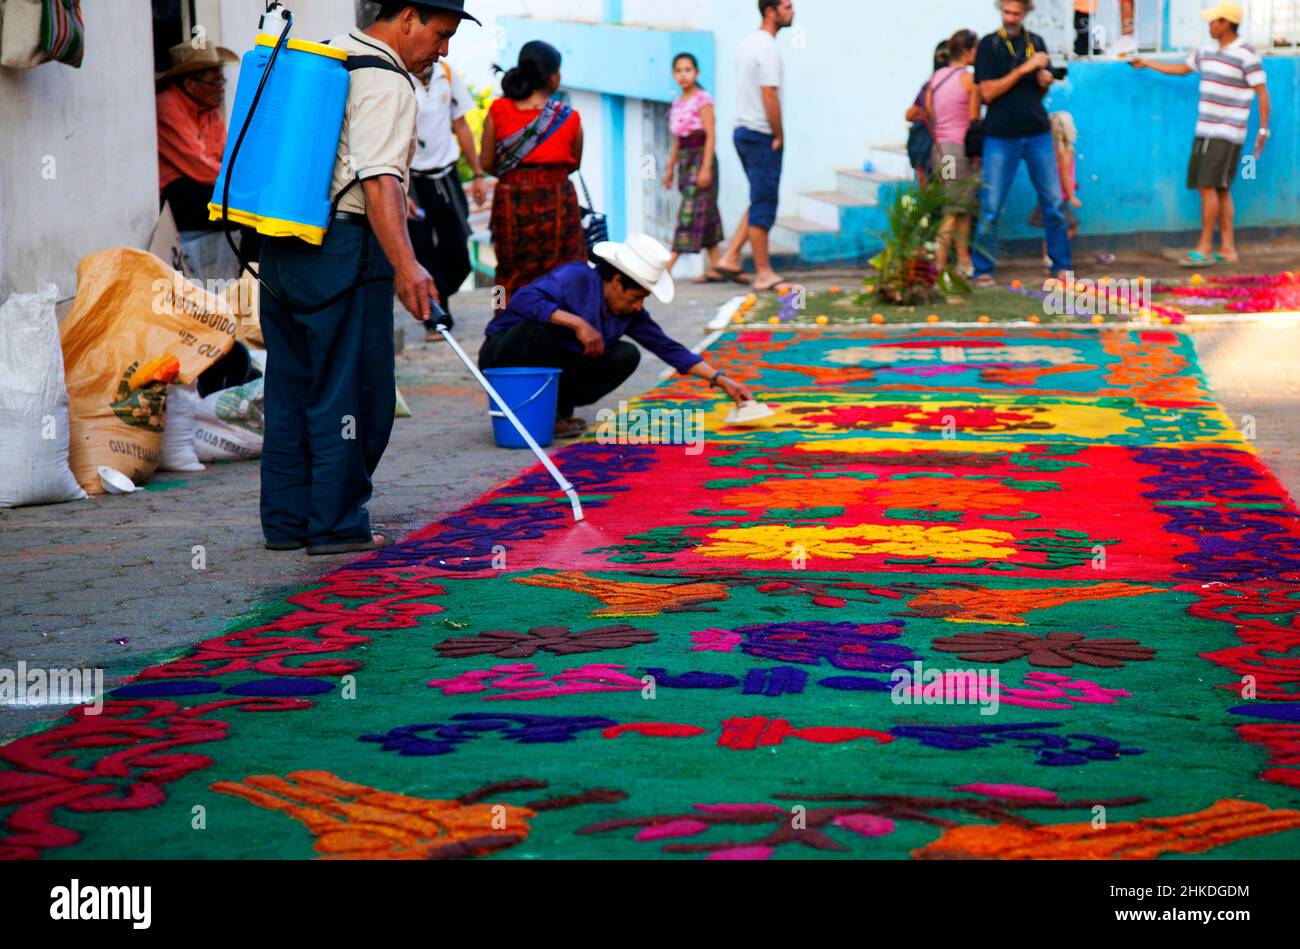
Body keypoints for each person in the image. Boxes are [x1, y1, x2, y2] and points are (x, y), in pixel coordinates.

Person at [258, 1, 479, 557]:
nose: (444, 49)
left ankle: (287, 521)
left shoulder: (329, 53)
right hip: (345, 249)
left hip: (284, 242)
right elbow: (380, 180)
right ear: (407, 18)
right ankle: (334, 525)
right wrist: (407, 266)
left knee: (290, 386)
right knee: (355, 390)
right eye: (441, 33)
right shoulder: (387, 81)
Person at [479, 234, 754, 439]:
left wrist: (721, 380)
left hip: (549, 363)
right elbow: (521, 301)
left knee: (626, 354)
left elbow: (668, 348)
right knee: (547, 327)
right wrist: (577, 323)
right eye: (636, 298)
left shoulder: (628, 313)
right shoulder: (574, 277)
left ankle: (557, 412)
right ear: (616, 282)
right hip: (504, 357)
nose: (638, 306)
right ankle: (543, 415)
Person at [1130, 2, 1269, 267]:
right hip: (1204, 129)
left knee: (1208, 186)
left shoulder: (1247, 55)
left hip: (1228, 133)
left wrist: (1263, 129)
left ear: (1227, 23)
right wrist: (1147, 63)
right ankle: (1227, 248)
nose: (1210, 25)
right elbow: (1183, 69)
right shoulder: (1205, 51)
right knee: (1220, 189)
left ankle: (1205, 247)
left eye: (1214, 21)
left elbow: (1262, 92)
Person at [970, 0, 1071, 288]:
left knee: (1053, 203)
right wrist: (1024, 68)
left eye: (1016, 13)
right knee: (990, 207)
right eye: (1006, 12)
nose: (1011, 18)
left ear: (1025, 13)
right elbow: (987, 93)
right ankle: (982, 268)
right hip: (1001, 135)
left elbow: (1036, 93)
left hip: (1037, 131)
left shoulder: (1035, 41)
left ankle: (1061, 265)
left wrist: (1044, 80)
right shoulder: (989, 45)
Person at [480, 41, 585, 303]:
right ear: (552, 77)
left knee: (506, 269)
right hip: (558, 203)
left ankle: (501, 321)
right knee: (563, 269)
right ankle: (563, 322)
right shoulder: (569, 118)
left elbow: (487, 163)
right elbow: (574, 165)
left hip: (511, 204)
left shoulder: (498, 111)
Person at [715, 0, 795, 293]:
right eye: (787, 6)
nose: (792, 11)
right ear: (771, 11)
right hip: (761, 133)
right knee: (764, 202)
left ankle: (732, 256)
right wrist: (779, 134)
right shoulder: (768, 49)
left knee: (758, 195)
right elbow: (769, 95)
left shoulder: (749, 42)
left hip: (743, 130)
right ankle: (763, 272)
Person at [407, 58, 488, 340]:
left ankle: (435, 296)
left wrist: (477, 173)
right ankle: (437, 318)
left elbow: (462, 125)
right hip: (412, 181)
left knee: (459, 254)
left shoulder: (447, 73)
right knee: (422, 251)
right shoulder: (398, 76)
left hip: (446, 176)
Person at [155, 42, 238, 231]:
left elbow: (227, 155)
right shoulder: (168, 107)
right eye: (215, 83)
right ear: (190, 84)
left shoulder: (209, 111)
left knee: (250, 208)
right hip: (177, 193)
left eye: (221, 82)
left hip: (204, 184)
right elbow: (200, 167)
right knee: (240, 209)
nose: (221, 89)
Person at [662, 53, 726, 283]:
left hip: (702, 158)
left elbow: (710, 134)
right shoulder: (678, 103)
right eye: (678, 71)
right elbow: (678, 139)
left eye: (688, 70)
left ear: (696, 73)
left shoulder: (703, 99)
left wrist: (706, 167)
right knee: (706, 210)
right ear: (673, 74)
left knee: (689, 210)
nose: (683, 75)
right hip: (685, 161)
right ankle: (717, 266)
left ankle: (668, 264)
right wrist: (670, 168)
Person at [926, 29, 981, 275]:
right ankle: (939, 263)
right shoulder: (968, 79)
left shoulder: (936, 78)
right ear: (968, 52)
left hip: (939, 149)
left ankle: (963, 260)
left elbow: (929, 111)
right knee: (955, 210)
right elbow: (973, 117)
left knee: (959, 208)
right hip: (958, 150)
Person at [1028, 112, 1081, 269]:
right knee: (1071, 226)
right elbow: (1065, 174)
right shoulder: (1067, 151)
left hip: (1047, 194)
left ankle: (1048, 255)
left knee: (1054, 225)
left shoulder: (1048, 150)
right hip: (1061, 196)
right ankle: (1051, 252)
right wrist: (1071, 195)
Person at [905, 40, 952, 186]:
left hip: (931, 149)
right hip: (947, 148)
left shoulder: (930, 85)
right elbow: (910, 114)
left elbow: (909, 114)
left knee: (933, 190)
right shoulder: (960, 83)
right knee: (948, 188)